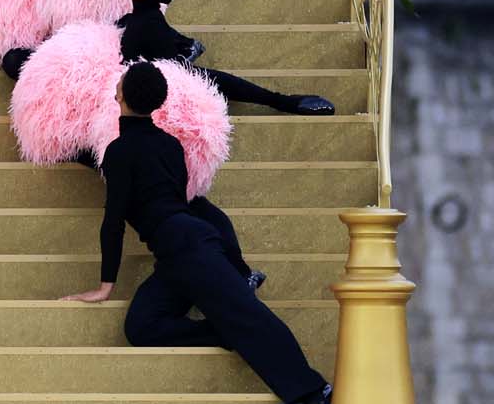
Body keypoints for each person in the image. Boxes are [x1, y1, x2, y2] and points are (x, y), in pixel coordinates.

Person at [64, 63, 331, 404]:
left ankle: (312, 391)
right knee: (142, 327)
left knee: (248, 316)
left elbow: (113, 220)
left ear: (122, 98)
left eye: (120, 83)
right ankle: (222, 331)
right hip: (175, 252)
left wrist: (105, 286)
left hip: (189, 246)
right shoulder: (169, 144)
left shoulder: (119, 151)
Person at [121, 0, 335, 115]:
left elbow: (170, 70)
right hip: (161, 79)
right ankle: (282, 101)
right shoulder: (144, 19)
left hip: (163, 93)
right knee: (213, 77)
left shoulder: (147, 24)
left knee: (212, 78)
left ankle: (284, 102)